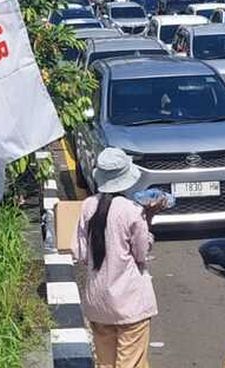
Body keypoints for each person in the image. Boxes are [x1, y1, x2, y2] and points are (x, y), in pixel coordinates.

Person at [74, 148, 164, 368]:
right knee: (130, 363)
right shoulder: (132, 211)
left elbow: (81, 254)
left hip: (98, 302)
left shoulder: (88, 206)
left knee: (105, 363)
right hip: (129, 303)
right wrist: (148, 218)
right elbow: (141, 254)